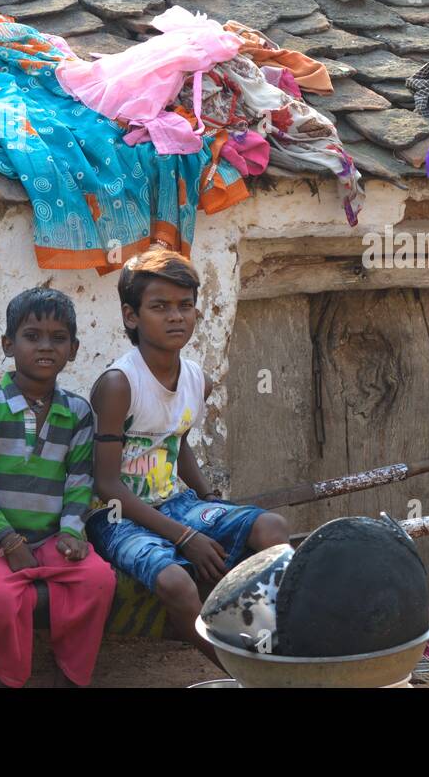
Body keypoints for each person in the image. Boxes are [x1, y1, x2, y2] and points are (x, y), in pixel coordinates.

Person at [87, 246, 290, 658]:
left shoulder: (197, 380)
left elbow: (176, 444)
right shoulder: (119, 385)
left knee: (272, 529)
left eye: (185, 306)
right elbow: (106, 483)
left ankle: (269, 642)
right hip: (116, 516)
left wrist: (208, 498)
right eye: (159, 306)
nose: (176, 316)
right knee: (176, 582)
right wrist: (185, 536)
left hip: (174, 502)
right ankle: (237, 670)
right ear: (132, 316)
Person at [0, 287, 116, 688]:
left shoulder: (78, 412)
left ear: (75, 348)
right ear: (8, 344)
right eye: (32, 336)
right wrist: (9, 542)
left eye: (58, 338)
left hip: (51, 538)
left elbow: (80, 480)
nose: (45, 347)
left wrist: (70, 531)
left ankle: (71, 674)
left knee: (98, 580)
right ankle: (12, 678)